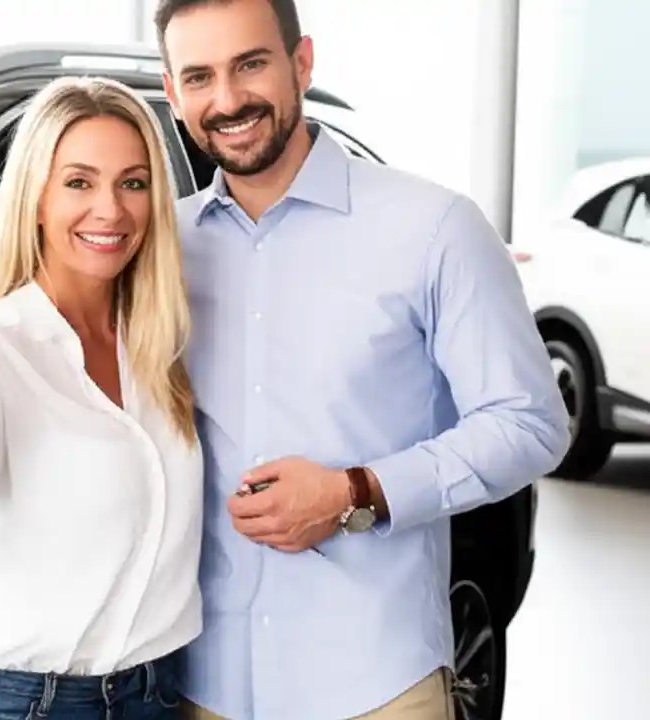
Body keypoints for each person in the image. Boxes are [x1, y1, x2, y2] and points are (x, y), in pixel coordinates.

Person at [151, 0, 572, 718]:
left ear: (302, 63)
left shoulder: (433, 227)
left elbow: (532, 423)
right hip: (202, 687)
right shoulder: (162, 250)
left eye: (250, 64)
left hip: (376, 687)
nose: (226, 100)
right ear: (173, 94)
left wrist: (355, 492)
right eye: (200, 76)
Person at [0, 75, 204, 719]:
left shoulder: (164, 342)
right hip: (26, 702)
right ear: (37, 200)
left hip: (157, 694)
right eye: (79, 182)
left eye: (132, 183)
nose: (110, 210)